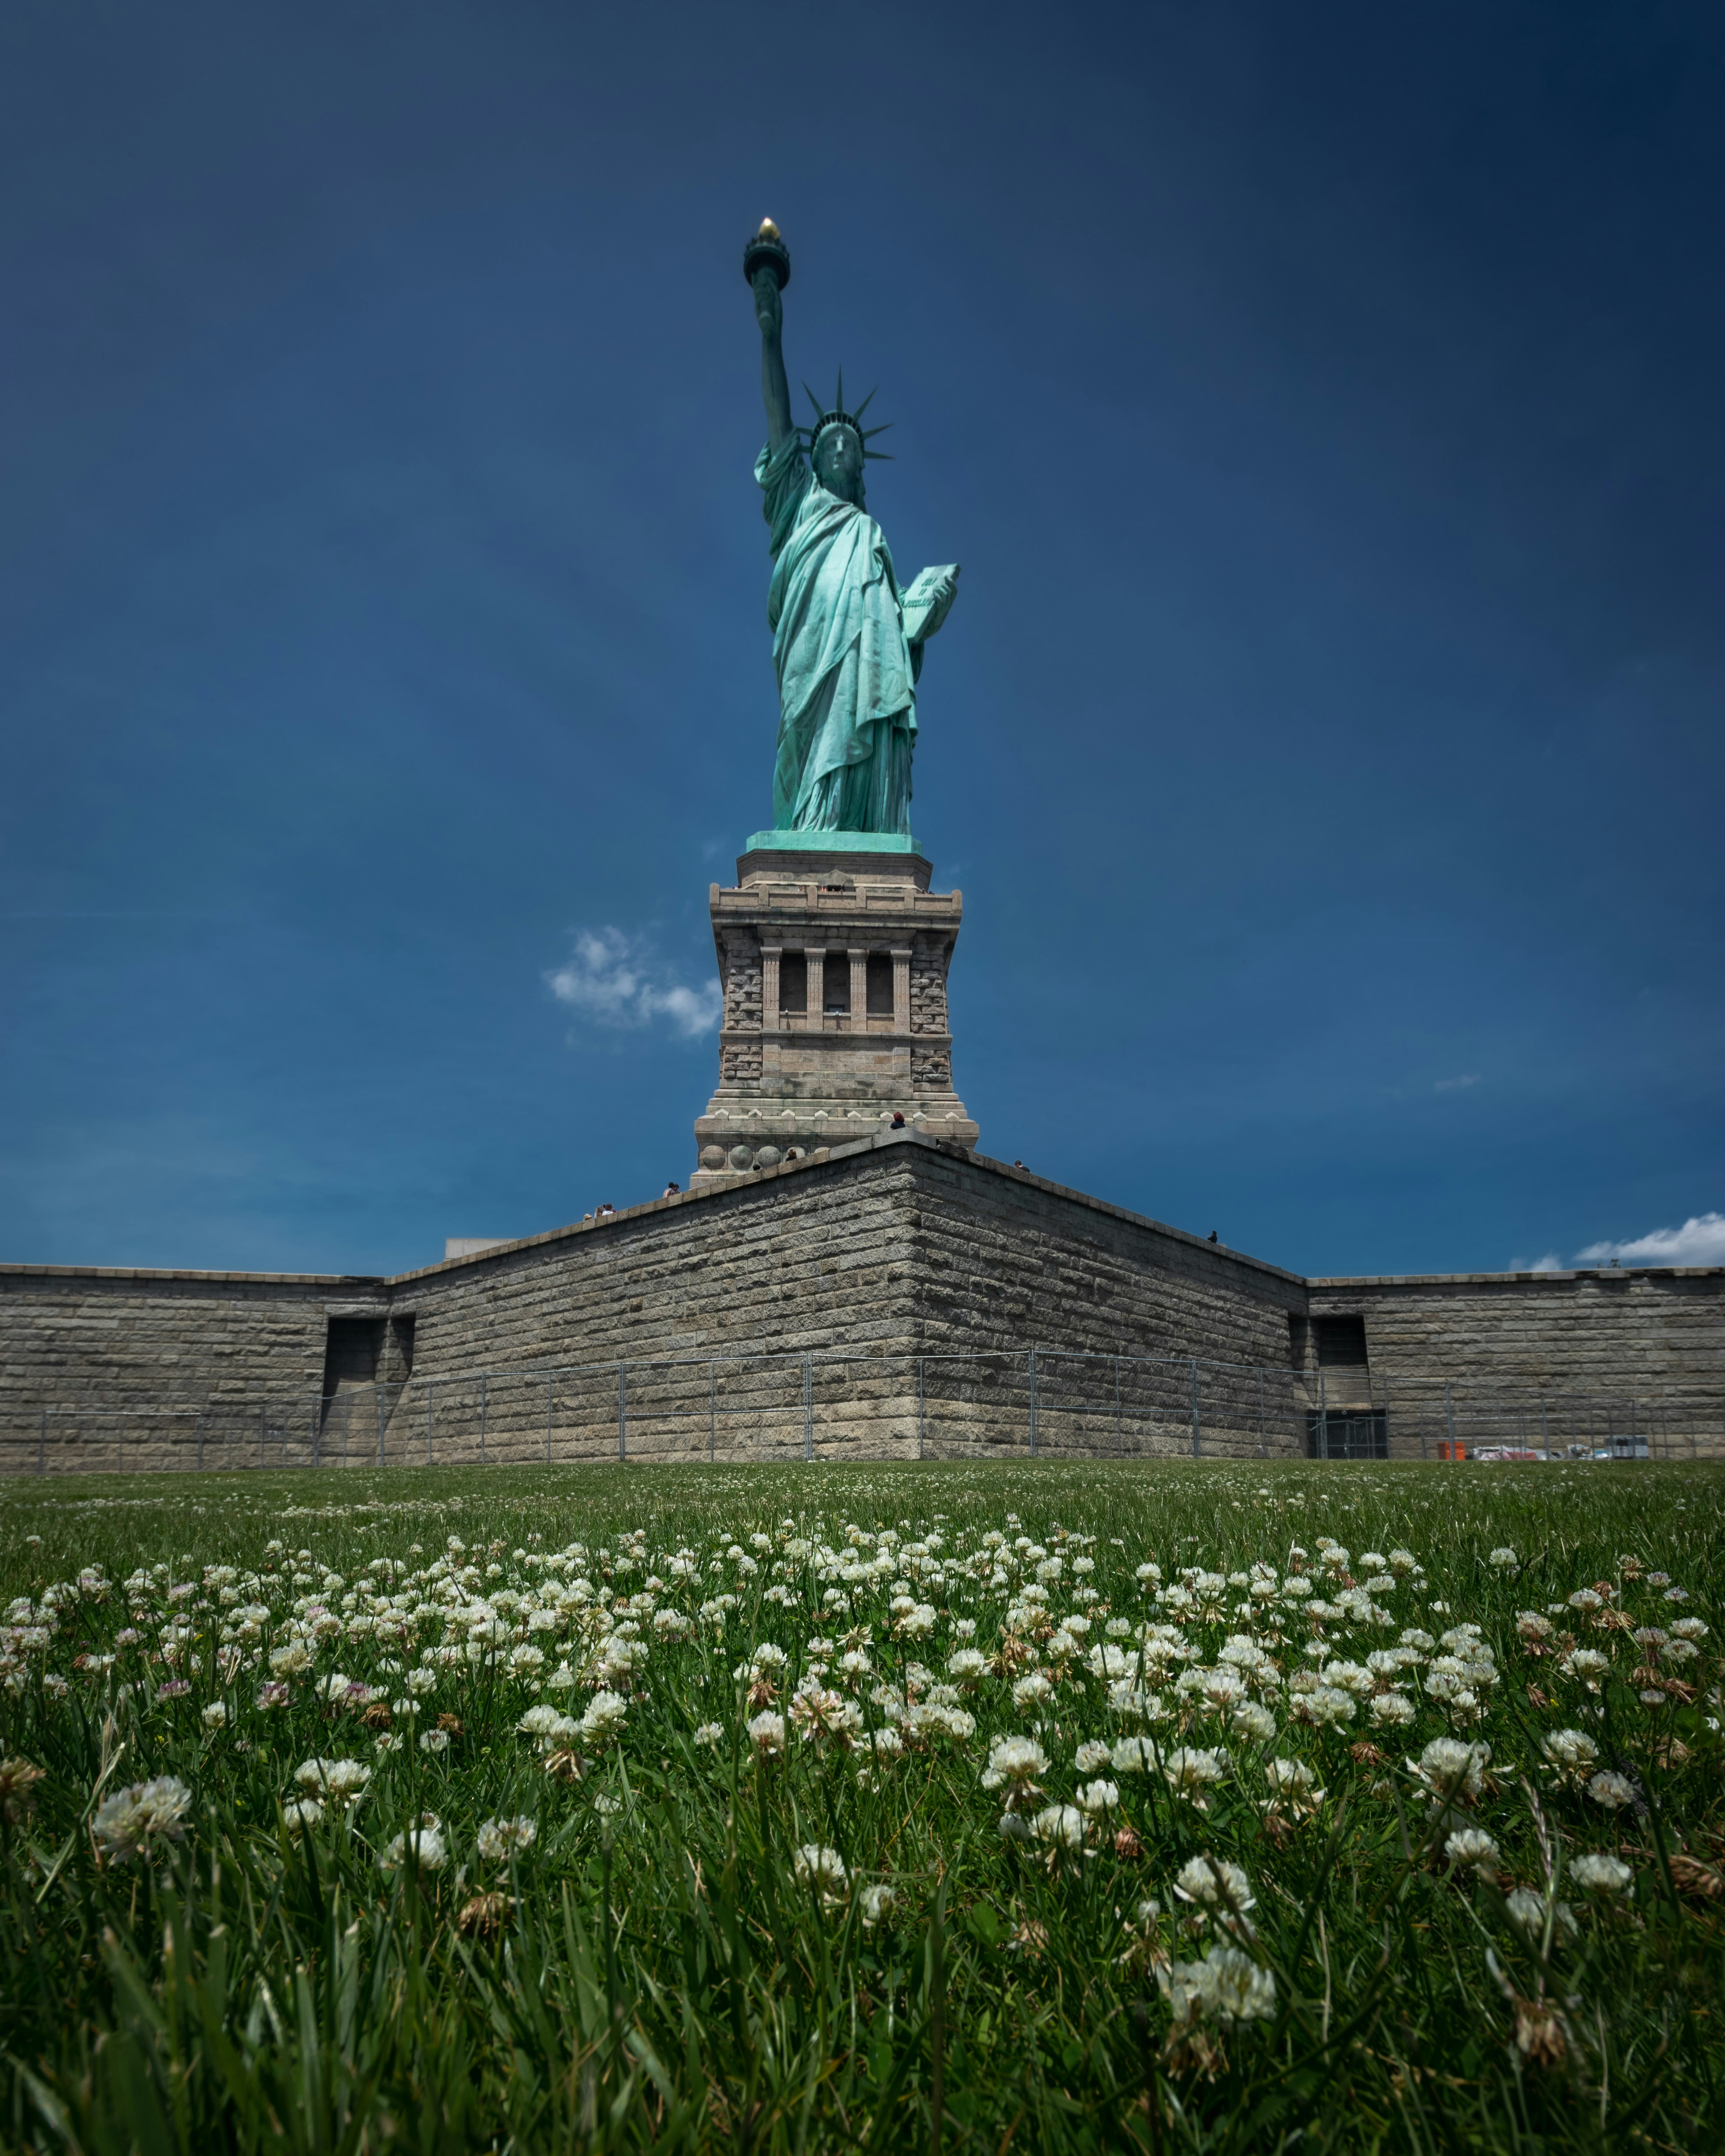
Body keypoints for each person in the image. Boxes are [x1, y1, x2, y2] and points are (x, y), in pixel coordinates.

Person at [750, 250, 959, 833]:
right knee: (813, 732)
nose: (841, 448)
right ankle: (814, 829)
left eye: (852, 446)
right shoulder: (798, 505)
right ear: (811, 460)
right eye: (830, 443)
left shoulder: (870, 535)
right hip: (810, 649)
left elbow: (893, 631)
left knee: (861, 716)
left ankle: (852, 827)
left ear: (861, 468)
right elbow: (777, 414)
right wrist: (770, 328)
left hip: (861, 657)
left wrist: (920, 610)